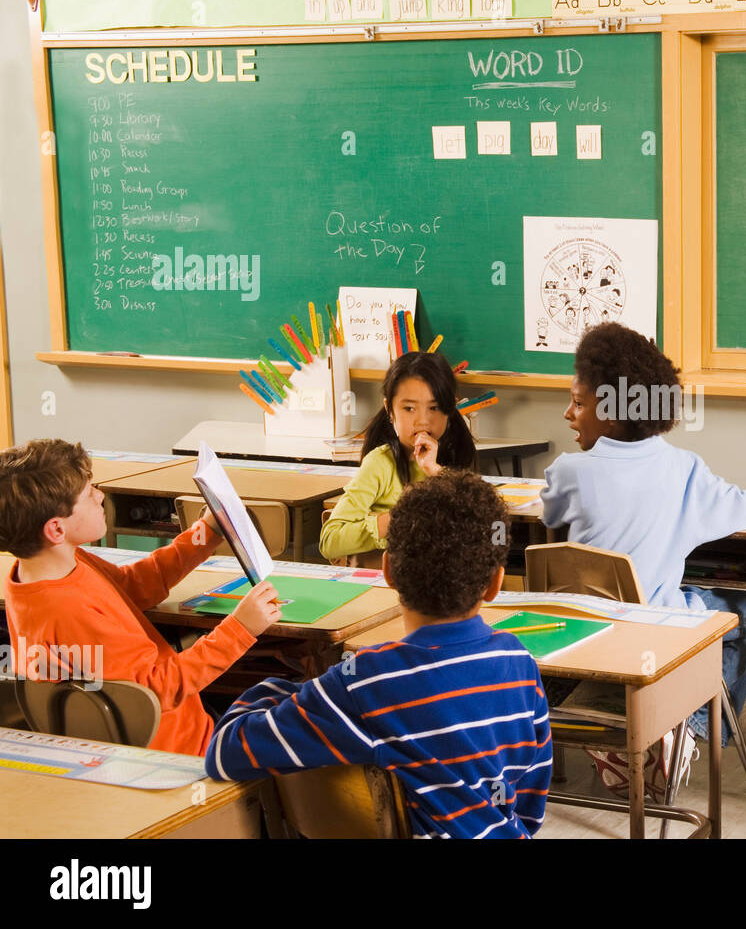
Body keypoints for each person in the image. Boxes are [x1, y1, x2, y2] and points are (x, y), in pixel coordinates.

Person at [208, 470, 552, 839]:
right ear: (496, 584)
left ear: (387, 570)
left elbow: (225, 753)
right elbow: (530, 804)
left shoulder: (364, 682)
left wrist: (279, 689)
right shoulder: (520, 662)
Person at [541, 323, 746, 795]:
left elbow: (552, 512)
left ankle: (584, 715)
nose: (568, 413)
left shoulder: (566, 472)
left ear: (611, 413)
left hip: (577, 632)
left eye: (578, 402)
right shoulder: (684, 471)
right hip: (652, 634)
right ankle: (689, 727)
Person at [0, 439, 280, 755]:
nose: (100, 495)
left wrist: (205, 534)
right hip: (183, 748)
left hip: (182, 727)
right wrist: (240, 629)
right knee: (290, 715)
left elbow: (132, 587)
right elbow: (159, 688)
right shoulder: (67, 611)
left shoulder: (51, 568)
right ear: (56, 530)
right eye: (89, 492)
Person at [320, 351, 476, 566]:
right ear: (389, 410)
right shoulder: (380, 463)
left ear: (449, 410)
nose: (422, 420)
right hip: (389, 585)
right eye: (409, 408)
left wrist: (435, 471)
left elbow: (480, 526)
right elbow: (330, 541)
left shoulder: (456, 454)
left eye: (434, 408)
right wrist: (398, 520)